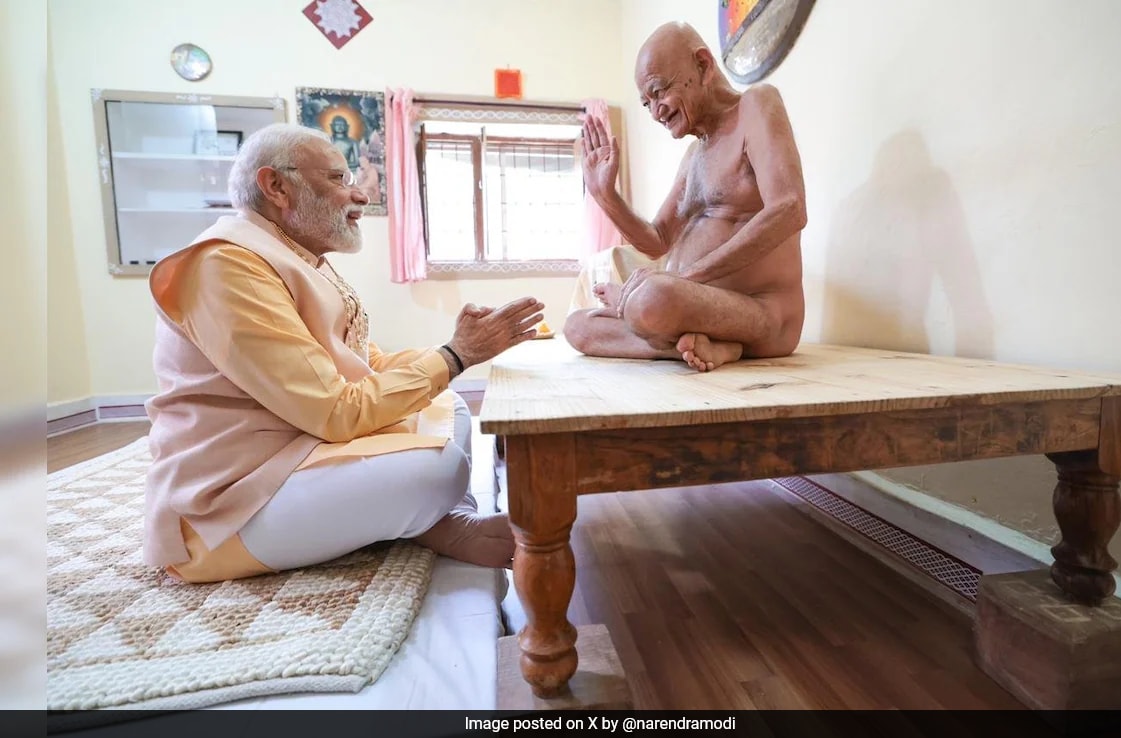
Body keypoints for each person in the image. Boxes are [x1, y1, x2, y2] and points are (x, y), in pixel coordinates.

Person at [142, 123, 544, 583]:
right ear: (276, 187)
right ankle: (432, 519)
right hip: (234, 500)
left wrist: (455, 351)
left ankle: (439, 520)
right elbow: (335, 412)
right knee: (440, 469)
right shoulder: (227, 265)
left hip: (299, 450)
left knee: (445, 404)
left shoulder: (293, 257)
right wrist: (455, 356)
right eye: (339, 179)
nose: (361, 195)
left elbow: (365, 365)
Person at [563, 21, 808, 372]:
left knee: (650, 300)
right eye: (646, 103)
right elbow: (657, 240)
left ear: (703, 66)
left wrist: (681, 280)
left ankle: (653, 318)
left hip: (763, 312)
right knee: (578, 327)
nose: (655, 112)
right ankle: (698, 346)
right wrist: (606, 196)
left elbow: (789, 209)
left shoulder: (756, 105)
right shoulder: (694, 156)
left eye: (658, 91)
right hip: (696, 308)